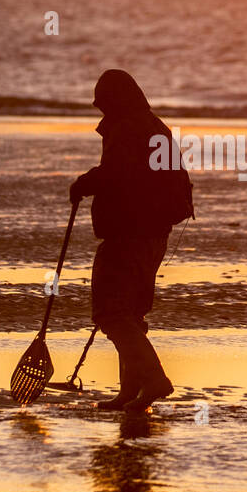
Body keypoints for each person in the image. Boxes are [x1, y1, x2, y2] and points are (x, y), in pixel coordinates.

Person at [69, 69, 181, 413]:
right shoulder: (151, 125)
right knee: (129, 312)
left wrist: (85, 182)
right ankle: (131, 391)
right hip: (154, 234)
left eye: (104, 104)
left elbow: (119, 175)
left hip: (130, 234)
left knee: (112, 312)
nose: (102, 112)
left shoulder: (129, 129)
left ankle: (154, 378)